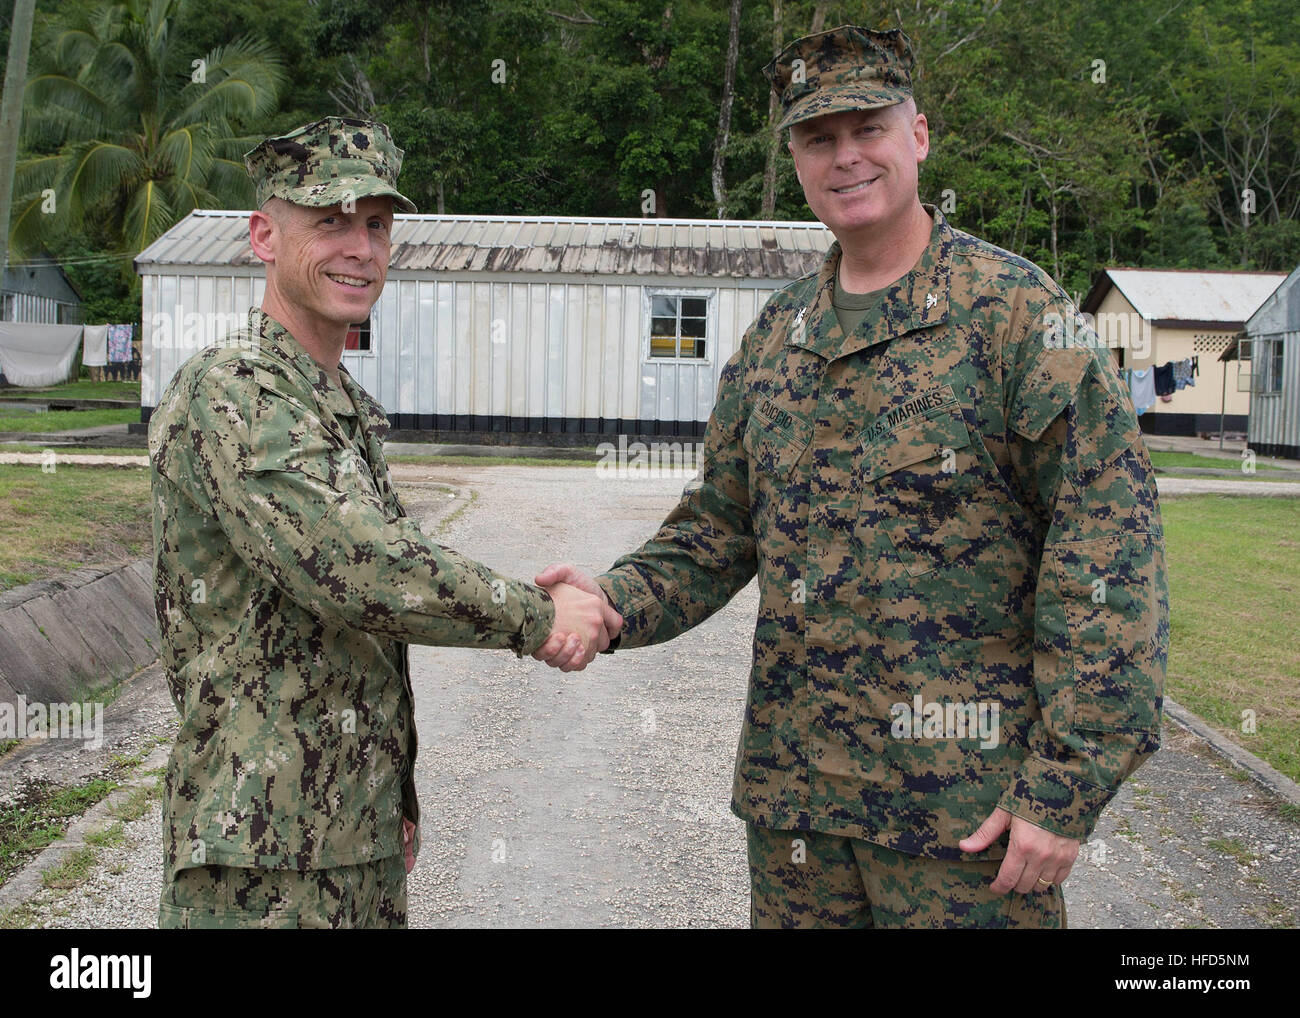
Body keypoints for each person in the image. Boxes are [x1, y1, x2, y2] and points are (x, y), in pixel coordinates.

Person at [534, 26, 1168, 928]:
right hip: (798, 815)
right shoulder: (776, 340)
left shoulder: (1019, 319)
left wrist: (1066, 788)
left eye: (867, 127)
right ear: (794, 157)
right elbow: (716, 531)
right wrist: (608, 601)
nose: (845, 157)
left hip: (964, 824)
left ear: (917, 134)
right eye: (817, 138)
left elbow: (1108, 556)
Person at [149, 116, 619, 928]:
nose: (360, 247)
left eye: (376, 224)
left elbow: (358, 642)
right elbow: (363, 570)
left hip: (346, 839)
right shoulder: (234, 390)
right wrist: (537, 616)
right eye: (329, 221)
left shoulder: (335, 405)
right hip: (259, 858)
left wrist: (389, 793)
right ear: (264, 236)